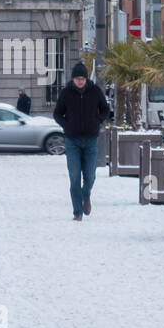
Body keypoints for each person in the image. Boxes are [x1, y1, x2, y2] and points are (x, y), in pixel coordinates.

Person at [52, 63, 111, 220]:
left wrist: (97, 121)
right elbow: (57, 114)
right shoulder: (66, 93)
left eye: (82, 78)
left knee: (90, 175)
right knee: (74, 176)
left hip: (91, 140)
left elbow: (105, 109)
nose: (80, 81)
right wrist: (67, 125)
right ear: (73, 79)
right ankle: (77, 212)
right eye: (77, 78)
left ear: (86, 78)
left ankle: (86, 196)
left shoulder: (95, 91)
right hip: (72, 142)